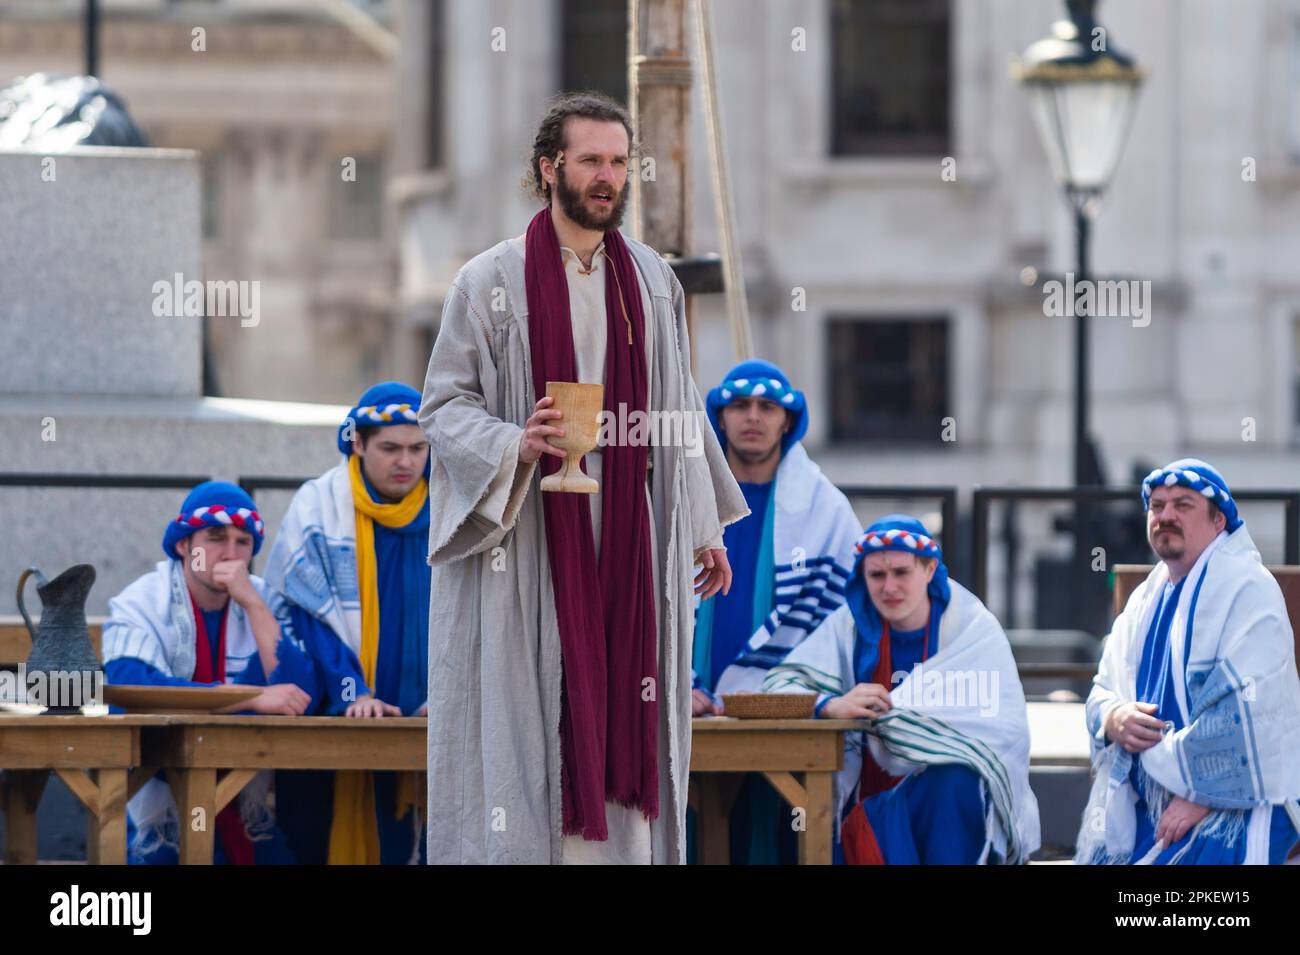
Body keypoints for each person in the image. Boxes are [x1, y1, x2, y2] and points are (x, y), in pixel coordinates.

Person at [419, 91, 747, 864]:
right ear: (550, 167)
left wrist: (700, 525)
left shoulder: (652, 280)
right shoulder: (488, 281)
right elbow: (441, 406)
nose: (608, 177)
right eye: (592, 160)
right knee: (531, 715)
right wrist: (513, 443)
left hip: (629, 542)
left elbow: (678, 404)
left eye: (618, 162)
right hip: (528, 539)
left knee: (629, 707)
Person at [764, 515, 1040, 864]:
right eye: (877, 575)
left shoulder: (971, 628)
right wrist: (829, 705)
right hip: (867, 799)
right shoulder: (848, 625)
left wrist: (906, 724)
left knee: (955, 781)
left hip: (946, 804)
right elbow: (776, 687)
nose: (889, 587)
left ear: (928, 570)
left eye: (901, 572)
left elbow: (1005, 730)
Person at [1077, 459, 1300, 865]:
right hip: (1149, 794)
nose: (1166, 516)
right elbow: (1101, 689)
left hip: (1239, 800)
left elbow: (1250, 711)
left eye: (1183, 505)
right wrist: (1114, 718)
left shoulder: (1248, 589)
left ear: (1219, 522)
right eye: (1157, 506)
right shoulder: (1144, 600)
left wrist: (1201, 797)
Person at [689, 358, 860, 864]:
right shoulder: (681, 498)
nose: (754, 417)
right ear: (719, 418)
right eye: (740, 405)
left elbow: (844, 620)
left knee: (782, 834)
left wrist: (790, 693)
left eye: (768, 406)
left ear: (788, 420)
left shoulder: (826, 509)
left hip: (786, 711)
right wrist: (674, 685)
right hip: (689, 704)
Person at [262, 380, 431, 864]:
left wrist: (448, 696)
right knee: (315, 831)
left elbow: (473, 616)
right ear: (357, 443)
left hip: (426, 710)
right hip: (335, 706)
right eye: (391, 448)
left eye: (419, 448)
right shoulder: (316, 505)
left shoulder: (453, 505)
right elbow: (308, 615)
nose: (406, 462)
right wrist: (352, 692)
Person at [102, 481, 313, 864]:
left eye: (243, 542)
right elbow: (131, 687)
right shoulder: (141, 600)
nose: (230, 554)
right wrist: (251, 699)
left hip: (243, 800)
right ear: (184, 545)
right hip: (157, 802)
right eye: (216, 538)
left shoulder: (263, 598)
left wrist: (252, 604)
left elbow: (300, 693)